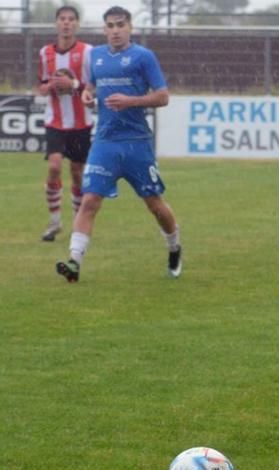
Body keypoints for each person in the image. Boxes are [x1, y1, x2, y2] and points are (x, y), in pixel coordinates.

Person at [55, 6, 181, 282]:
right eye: (110, 26)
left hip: (136, 143)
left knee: (155, 205)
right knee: (89, 200)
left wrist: (131, 101)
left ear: (130, 27)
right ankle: (74, 262)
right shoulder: (96, 56)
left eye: (120, 25)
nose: (115, 30)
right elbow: (91, 86)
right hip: (105, 142)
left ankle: (174, 246)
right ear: (104, 30)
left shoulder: (143, 57)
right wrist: (88, 95)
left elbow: (163, 97)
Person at [36, 6, 92, 242]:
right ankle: (54, 222)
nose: (66, 23)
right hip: (55, 122)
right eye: (62, 19)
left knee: (77, 174)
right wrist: (48, 87)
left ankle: (77, 225)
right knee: (54, 166)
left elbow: (92, 86)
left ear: (77, 24)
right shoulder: (45, 53)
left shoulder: (88, 52)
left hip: (81, 124)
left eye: (71, 19)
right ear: (56, 24)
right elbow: (40, 86)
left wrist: (74, 85)